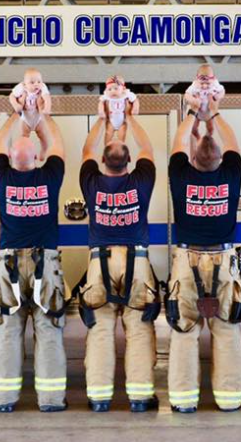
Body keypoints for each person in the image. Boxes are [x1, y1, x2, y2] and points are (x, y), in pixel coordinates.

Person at [166, 107, 241, 413]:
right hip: (224, 262)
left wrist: (192, 113)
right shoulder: (232, 172)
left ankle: (183, 400)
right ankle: (229, 399)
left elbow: (178, 141)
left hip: (187, 262)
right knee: (227, 330)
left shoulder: (180, 173)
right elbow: (233, 143)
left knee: (184, 331)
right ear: (220, 158)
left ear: (193, 158)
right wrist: (212, 114)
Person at [0, 112, 67, 413]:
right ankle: (50, 400)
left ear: (9, 157)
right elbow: (56, 142)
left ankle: (4, 399)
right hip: (45, 262)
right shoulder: (51, 175)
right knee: (48, 330)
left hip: (8, 265)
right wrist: (40, 116)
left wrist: (16, 117)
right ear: (39, 156)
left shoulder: (1, 176)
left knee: (7, 332)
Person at [78, 115, 160, 413]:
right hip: (136, 262)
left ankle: (99, 397)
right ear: (130, 161)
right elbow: (147, 148)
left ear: (102, 161)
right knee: (138, 329)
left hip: (99, 264)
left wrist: (104, 121)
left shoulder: (91, 181)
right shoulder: (142, 180)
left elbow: (86, 150)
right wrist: (130, 119)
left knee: (100, 329)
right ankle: (139, 397)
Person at [98, 75, 139, 142]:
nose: (112, 91)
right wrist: (101, 110)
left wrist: (135, 108)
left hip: (122, 121)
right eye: (109, 89)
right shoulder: (107, 95)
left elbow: (135, 100)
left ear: (123, 88)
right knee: (108, 134)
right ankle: (107, 148)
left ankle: (121, 146)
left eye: (116, 88)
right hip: (111, 120)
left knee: (122, 135)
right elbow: (101, 102)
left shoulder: (126, 94)